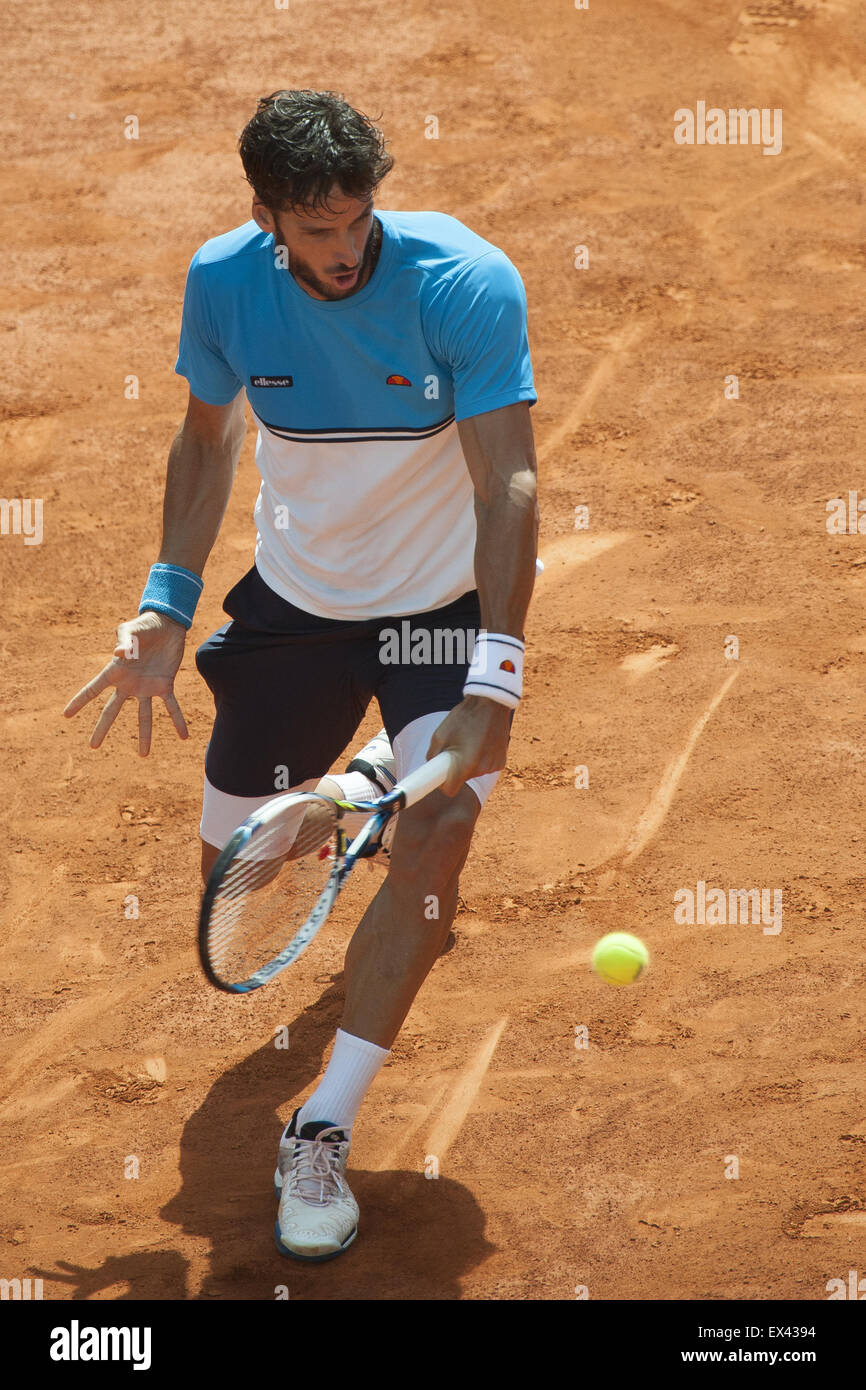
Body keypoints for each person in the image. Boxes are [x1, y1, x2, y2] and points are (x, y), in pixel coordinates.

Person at [64, 88, 539, 1262]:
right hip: (294, 612)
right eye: (314, 230)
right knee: (238, 885)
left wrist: (494, 677)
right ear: (268, 216)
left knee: (435, 856)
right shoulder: (223, 281)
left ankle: (321, 1126)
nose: (342, 250)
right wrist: (164, 604)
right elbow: (206, 438)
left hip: (435, 612)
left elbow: (506, 487)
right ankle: (358, 791)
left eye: (356, 221)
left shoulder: (462, 280)